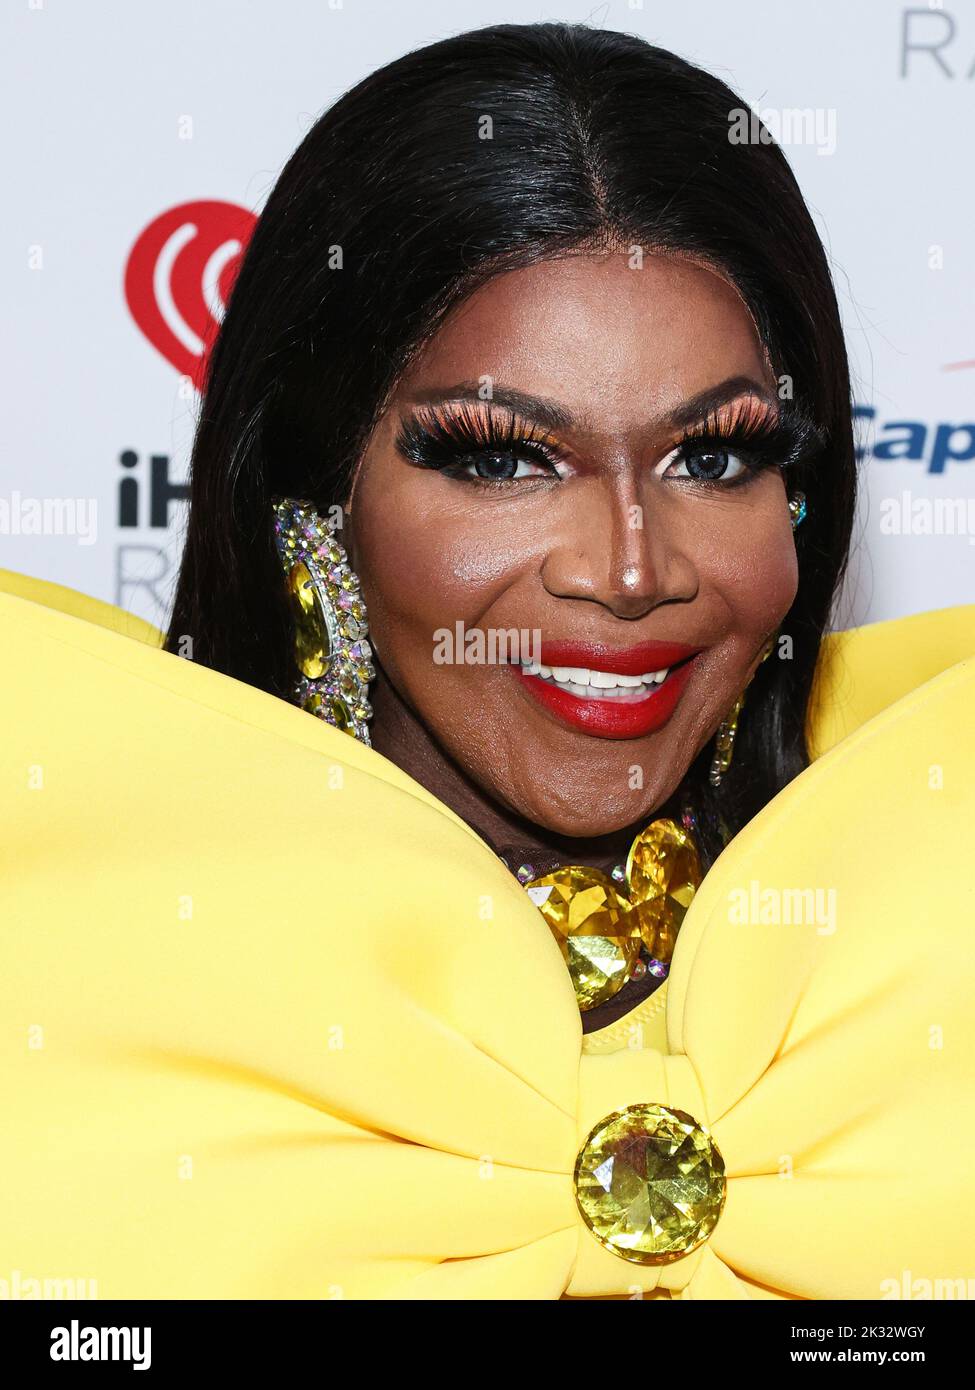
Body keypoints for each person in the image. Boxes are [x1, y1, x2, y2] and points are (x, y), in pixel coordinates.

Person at [2, 21, 974, 1300]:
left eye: (716, 456)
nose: (631, 570)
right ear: (312, 494)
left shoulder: (931, 920)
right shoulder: (69, 945)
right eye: (502, 457)